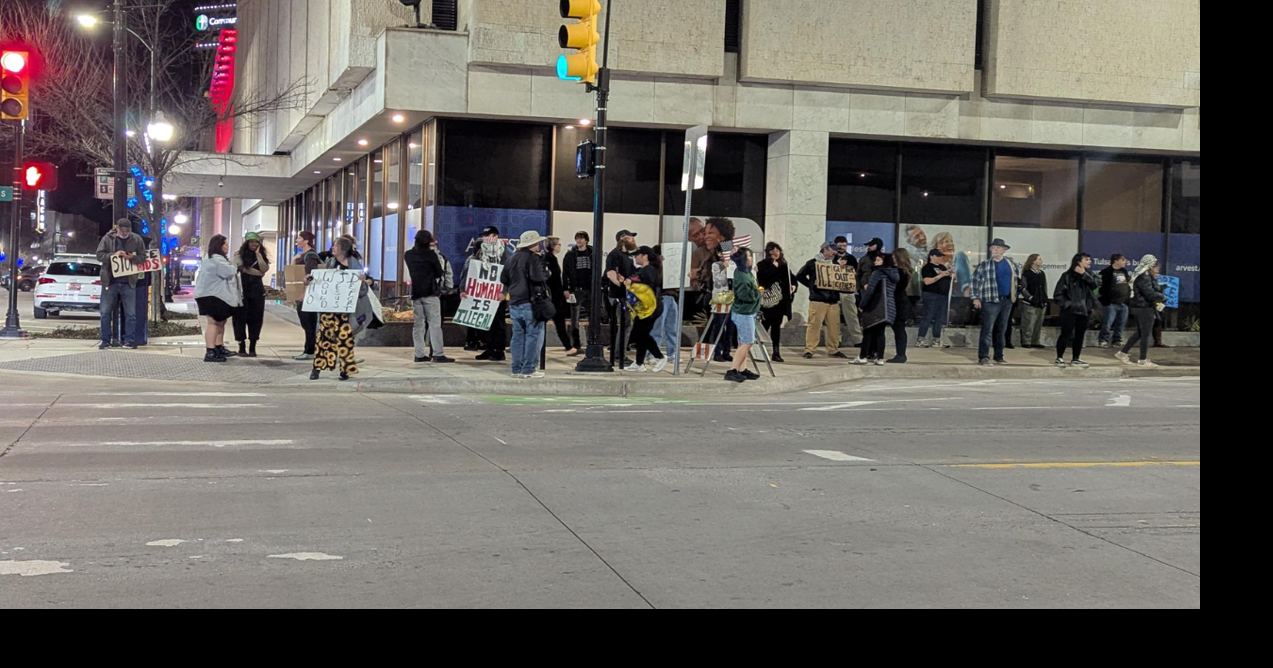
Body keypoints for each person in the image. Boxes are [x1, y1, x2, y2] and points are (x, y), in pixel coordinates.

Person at [309, 237, 367, 381]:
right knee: (323, 338)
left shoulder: (354, 265)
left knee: (345, 339)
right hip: (329, 308)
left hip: (345, 310)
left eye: (335, 246)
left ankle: (345, 370)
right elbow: (324, 281)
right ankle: (317, 368)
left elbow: (362, 289)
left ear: (343, 249)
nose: (333, 248)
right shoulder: (331, 262)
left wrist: (362, 282)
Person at [459, 226, 513, 362]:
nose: (484, 238)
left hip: (497, 294)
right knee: (485, 322)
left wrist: (504, 292)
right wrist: (463, 289)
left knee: (498, 322)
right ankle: (489, 348)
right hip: (484, 293)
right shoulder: (480, 252)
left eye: (487, 235)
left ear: (495, 236)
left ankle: (499, 350)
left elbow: (509, 274)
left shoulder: (505, 253)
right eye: (484, 236)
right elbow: (472, 271)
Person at [502, 231, 551, 379]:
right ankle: (529, 369)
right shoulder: (533, 258)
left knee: (517, 337)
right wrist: (547, 274)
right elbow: (537, 277)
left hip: (514, 303)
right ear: (533, 244)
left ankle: (516, 368)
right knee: (534, 336)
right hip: (530, 302)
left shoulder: (511, 258)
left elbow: (503, 279)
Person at [95, 219, 147, 350]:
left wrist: (132, 258)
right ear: (117, 228)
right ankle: (106, 340)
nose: (125, 233)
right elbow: (99, 255)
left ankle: (129, 340)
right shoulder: (107, 238)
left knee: (131, 314)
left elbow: (143, 257)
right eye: (122, 231)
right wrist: (113, 255)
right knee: (105, 312)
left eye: (127, 231)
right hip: (110, 281)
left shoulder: (136, 239)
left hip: (128, 282)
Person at [970, 238, 1023, 366]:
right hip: (990, 300)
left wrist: (1015, 295)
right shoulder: (984, 265)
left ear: (1004, 250)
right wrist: (975, 297)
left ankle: (999, 355)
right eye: (993, 248)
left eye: (998, 248)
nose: (995, 250)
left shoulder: (1011, 264)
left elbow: (1017, 280)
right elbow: (974, 281)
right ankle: (984, 356)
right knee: (987, 329)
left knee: (1002, 329)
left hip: (1007, 300)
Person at [404, 229, 453, 364]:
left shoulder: (408, 255)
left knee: (418, 325)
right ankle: (437, 353)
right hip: (430, 293)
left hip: (416, 293)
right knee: (434, 324)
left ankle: (419, 354)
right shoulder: (431, 255)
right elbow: (439, 273)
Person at [194, 235, 242, 363]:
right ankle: (210, 351)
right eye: (225, 244)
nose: (227, 247)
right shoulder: (215, 260)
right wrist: (235, 263)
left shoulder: (215, 259)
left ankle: (218, 347)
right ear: (218, 246)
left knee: (221, 322)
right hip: (212, 296)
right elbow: (229, 271)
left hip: (216, 295)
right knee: (214, 323)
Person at [796, 242, 848, 360]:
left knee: (834, 327)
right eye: (833, 249)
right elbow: (800, 275)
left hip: (833, 301)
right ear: (825, 249)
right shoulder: (812, 263)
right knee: (814, 325)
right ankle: (810, 349)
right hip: (818, 300)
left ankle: (833, 349)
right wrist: (812, 286)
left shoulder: (836, 264)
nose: (835, 252)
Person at [624, 246, 669, 374]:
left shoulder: (650, 270)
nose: (635, 258)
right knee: (641, 334)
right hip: (643, 308)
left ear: (645, 256)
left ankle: (660, 357)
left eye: (637, 255)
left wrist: (632, 285)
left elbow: (646, 289)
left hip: (650, 308)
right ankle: (639, 363)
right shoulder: (643, 270)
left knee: (641, 334)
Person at [1116, 255, 1167, 367]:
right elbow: (1149, 293)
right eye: (1155, 267)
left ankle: (1122, 353)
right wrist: (1162, 296)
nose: (1157, 269)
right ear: (1149, 266)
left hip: (1141, 307)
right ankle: (1142, 359)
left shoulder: (1144, 276)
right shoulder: (1144, 277)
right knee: (1145, 335)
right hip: (1144, 308)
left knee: (1140, 333)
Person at [1053, 252, 1099, 368]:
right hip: (1070, 311)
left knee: (1080, 335)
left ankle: (1076, 358)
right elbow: (1058, 294)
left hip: (1085, 310)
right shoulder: (1067, 276)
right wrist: (1068, 305)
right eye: (1086, 259)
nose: (1090, 261)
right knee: (1066, 334)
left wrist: (1084, 275)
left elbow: (1096, 285)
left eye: (1089, 259)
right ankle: (1059, 357)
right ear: (1079, 261)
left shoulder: (1089, 275)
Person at [854, 253, 899, 366]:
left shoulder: (878, 273)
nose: (875, 262)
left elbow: (870, 291)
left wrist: (862, 305)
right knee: (880, 333)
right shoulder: (894, 273)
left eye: (878, 260)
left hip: (876, 306)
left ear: (884, 261)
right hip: (888, 306)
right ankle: (880, 358)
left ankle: (862, 357)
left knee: (868, 331)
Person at [725, 248, 762, 382]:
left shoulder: (747, 272)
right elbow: (745, 295)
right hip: (744, 313)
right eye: (749, 256)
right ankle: (732, 370)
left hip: (748, 312)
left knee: (743, 342)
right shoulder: (742, 276)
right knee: (747, 342)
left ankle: (742, 369)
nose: (751, 259)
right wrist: (758, 293)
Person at [756, 242, 796, 363]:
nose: (775, 253)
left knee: (776, 328)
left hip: (780, 302)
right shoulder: (762, 265)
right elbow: (763, 279)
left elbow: (791, 278)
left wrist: (794, 285)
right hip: (767, 301)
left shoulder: (783, 265)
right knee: (764, 326)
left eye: (777, 251)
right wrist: (773, 267)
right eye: (772, 251)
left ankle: (776, 352)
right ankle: (759, 351)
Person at [232, 232, 270, 358]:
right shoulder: (239, 254)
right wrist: (259, 273)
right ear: (246, 242)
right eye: (251, 241)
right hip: (242, 290)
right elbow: (242, 268)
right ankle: (241, 346)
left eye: (256, 242)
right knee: (240, 318)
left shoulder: (261, 255)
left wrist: (258, 255)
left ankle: (253, 346)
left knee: (256, 319)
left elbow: (264, 269)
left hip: (257, 291)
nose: (254, 244)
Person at [606, 229, 638, 367]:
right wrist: (621, 284)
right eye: (630, 237)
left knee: (627, 324)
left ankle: (619, 353)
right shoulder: (615, 254)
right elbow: (610, 273)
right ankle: (619, 354)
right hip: (618, 296)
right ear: (623, 239)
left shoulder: (629, 256)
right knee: (625, 324)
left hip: (627, 295)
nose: (633, 240)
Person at [291, 231, 322, 361]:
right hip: (302, 294)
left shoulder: (310, 256)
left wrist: (305, 293)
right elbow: (293, 272)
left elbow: (310, 276)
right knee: (306, 324)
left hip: (307, 296)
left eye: (299, 238)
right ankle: (309, 349)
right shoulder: (302, 255)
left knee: (308, 323)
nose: (296, 240)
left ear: (306, 241)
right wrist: (294, 259)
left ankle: (310, 350)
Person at [561, 231, 593, 355]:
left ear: (586, 240)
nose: (579, 240)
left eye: (581, 238)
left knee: (593, 317)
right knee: (575, 318)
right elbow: (565, 273)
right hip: (576, 289)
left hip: (590, 289)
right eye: (577, 238)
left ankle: (592, 342)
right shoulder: (570, 254)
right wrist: (566, 288)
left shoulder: (592, 253)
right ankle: (576, 344)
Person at [650, 245, 682, 364]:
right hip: (660, 297)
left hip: (672, 297)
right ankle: (652, 354)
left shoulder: (671, 267)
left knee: (672, 328)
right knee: (657, 328)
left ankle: (672, 354)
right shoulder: (654, 268)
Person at [917, 248, 954, 348]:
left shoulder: (942, 267)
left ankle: (936, 339)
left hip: (942, 295)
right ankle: (920, 339)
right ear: (931, 256)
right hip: (931, 294)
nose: (940, 258)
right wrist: (940, 275)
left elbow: (952, 279)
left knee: (940, 318)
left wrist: (951, 273)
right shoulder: (927, 268)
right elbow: (927, 281)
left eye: (941, 256)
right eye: (938, 256)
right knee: (928, 316)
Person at [542, 237, 573, 355]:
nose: (560, 246)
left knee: (558, 321)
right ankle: (568, 346)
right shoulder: (549, 259)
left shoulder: (550, 258)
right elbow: (553, 279)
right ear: (553, 246)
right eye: (558, 244)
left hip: (554, 295)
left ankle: (568, 346)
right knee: (559, 321)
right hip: (553, 295)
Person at [833, 236, 863, 346]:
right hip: (834, 291)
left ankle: (858, 339)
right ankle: (836, 340)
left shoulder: (851, 258)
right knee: (834, 317)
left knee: (852, 316)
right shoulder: (831, 258)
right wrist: (837, 265)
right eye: (840, 245)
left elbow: (856, 273)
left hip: (848, 291)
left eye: (844, 245)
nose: (842, 247)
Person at [1098, 254, 1132, 349]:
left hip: (1123, 303)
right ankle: (1103, 340)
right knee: (1107, 323)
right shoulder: (1106, 272)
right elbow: (1100, 288)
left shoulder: (1124, 271)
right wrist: (1105, 298)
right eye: (1123, 260)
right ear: (1116, 261)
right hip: (1111, 303)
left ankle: (1117, 340)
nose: (1125, 262)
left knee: (1121, 324)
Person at [887, 248, 914, 363]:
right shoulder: (906, 271)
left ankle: (901, 354)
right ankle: (901, 354)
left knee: (899, 329)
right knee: (899, 329)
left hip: (898, 302)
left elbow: (895, 288)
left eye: (894, 256)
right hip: (901, 301)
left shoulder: (898, 272)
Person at [1020, 254, 1048, 349]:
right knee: (1029, 323)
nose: (1041, 261)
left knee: (1038, 323)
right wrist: (1030, 297)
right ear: (1033, 261)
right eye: (1039, 259)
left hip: (1041, 302)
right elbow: (1023, 288)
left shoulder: (1042, 273)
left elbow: (1044, 287)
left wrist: (1045, 299)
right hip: (1030, 303)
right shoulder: (1027, 274)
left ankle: (1035, 341)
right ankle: (1026, 341)